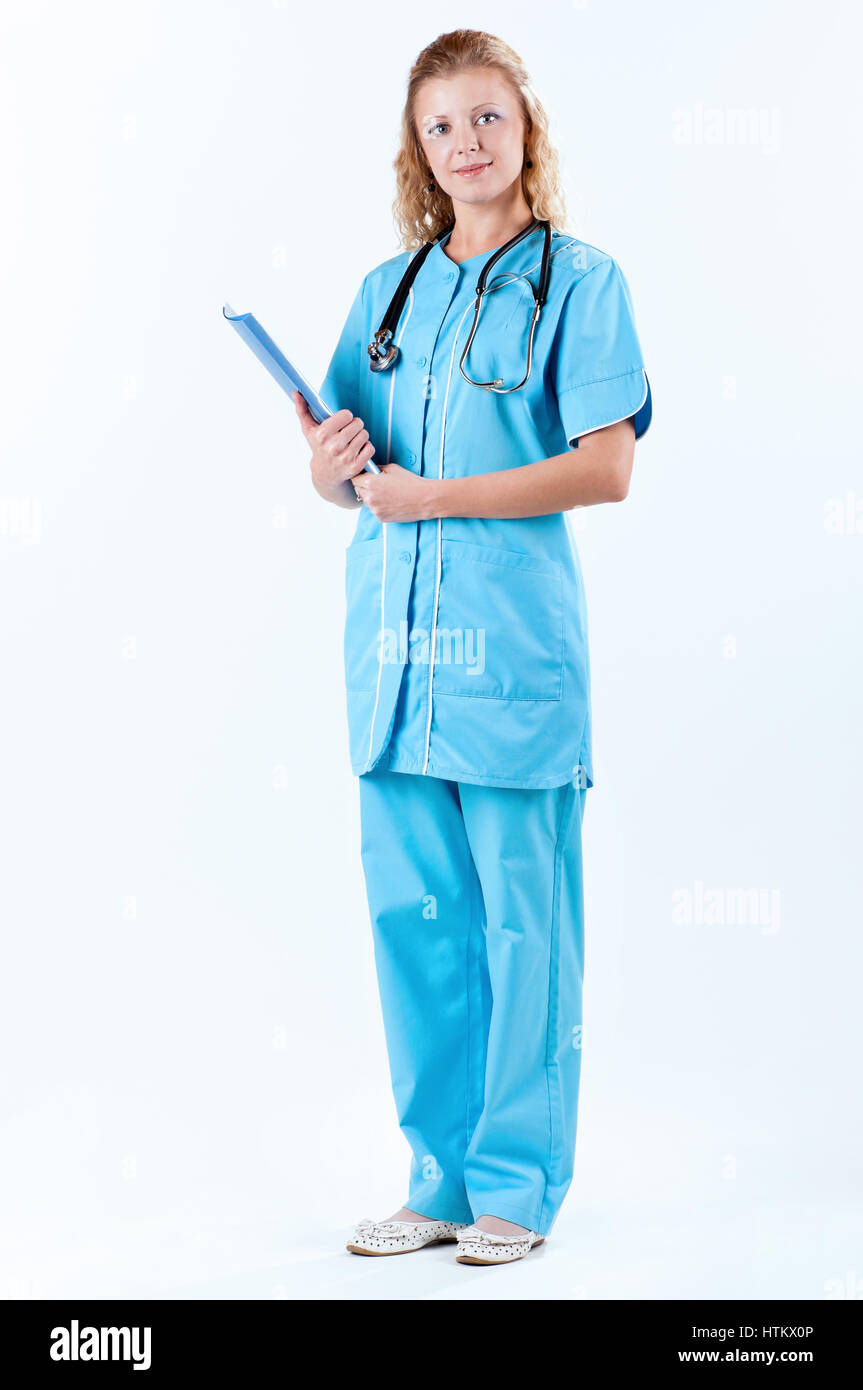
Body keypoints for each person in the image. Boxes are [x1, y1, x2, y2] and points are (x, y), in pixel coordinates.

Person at [293, 28, 652, 1267]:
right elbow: (352, 482)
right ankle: (436, 1180)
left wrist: (430, 496)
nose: (464, 143)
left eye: (486, 118)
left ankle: (516, 1188)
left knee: (520, 931)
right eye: (440, 124)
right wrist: (331, 468)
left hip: (508, 668)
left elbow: (604, 466)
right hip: (396, 669)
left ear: (526, 131)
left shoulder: (579, 283)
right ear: (418, 147)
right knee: (418, 926)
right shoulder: (388, 293)